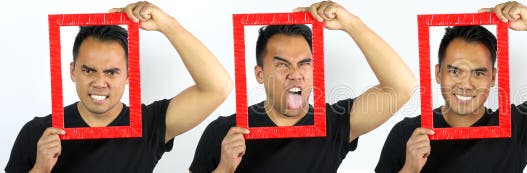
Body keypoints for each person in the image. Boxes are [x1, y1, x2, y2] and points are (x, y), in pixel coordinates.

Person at [188, 1, 416, 173]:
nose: (295, 74)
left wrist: (351, 24)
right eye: (281, 64)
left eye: (304, 64)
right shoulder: (224, 132)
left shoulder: (333, 124)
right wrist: (223, 169)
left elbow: (402, 86)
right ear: (260, 74)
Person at [375, 1, 527, 173]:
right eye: (455, 71)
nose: (466, 84)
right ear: (437, 73)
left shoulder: (516, 126)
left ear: (493, 77)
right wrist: (408, 170)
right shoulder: (407, 134)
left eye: (478, 73)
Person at [5, 1, 233, 172]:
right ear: (73, 70)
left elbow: (218, 87)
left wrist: (167, 25)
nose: (99, 82)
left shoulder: (149, 124)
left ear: (128, 75)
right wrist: (39, 169)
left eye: (111, 72)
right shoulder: (39, 132)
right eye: (88, 70)